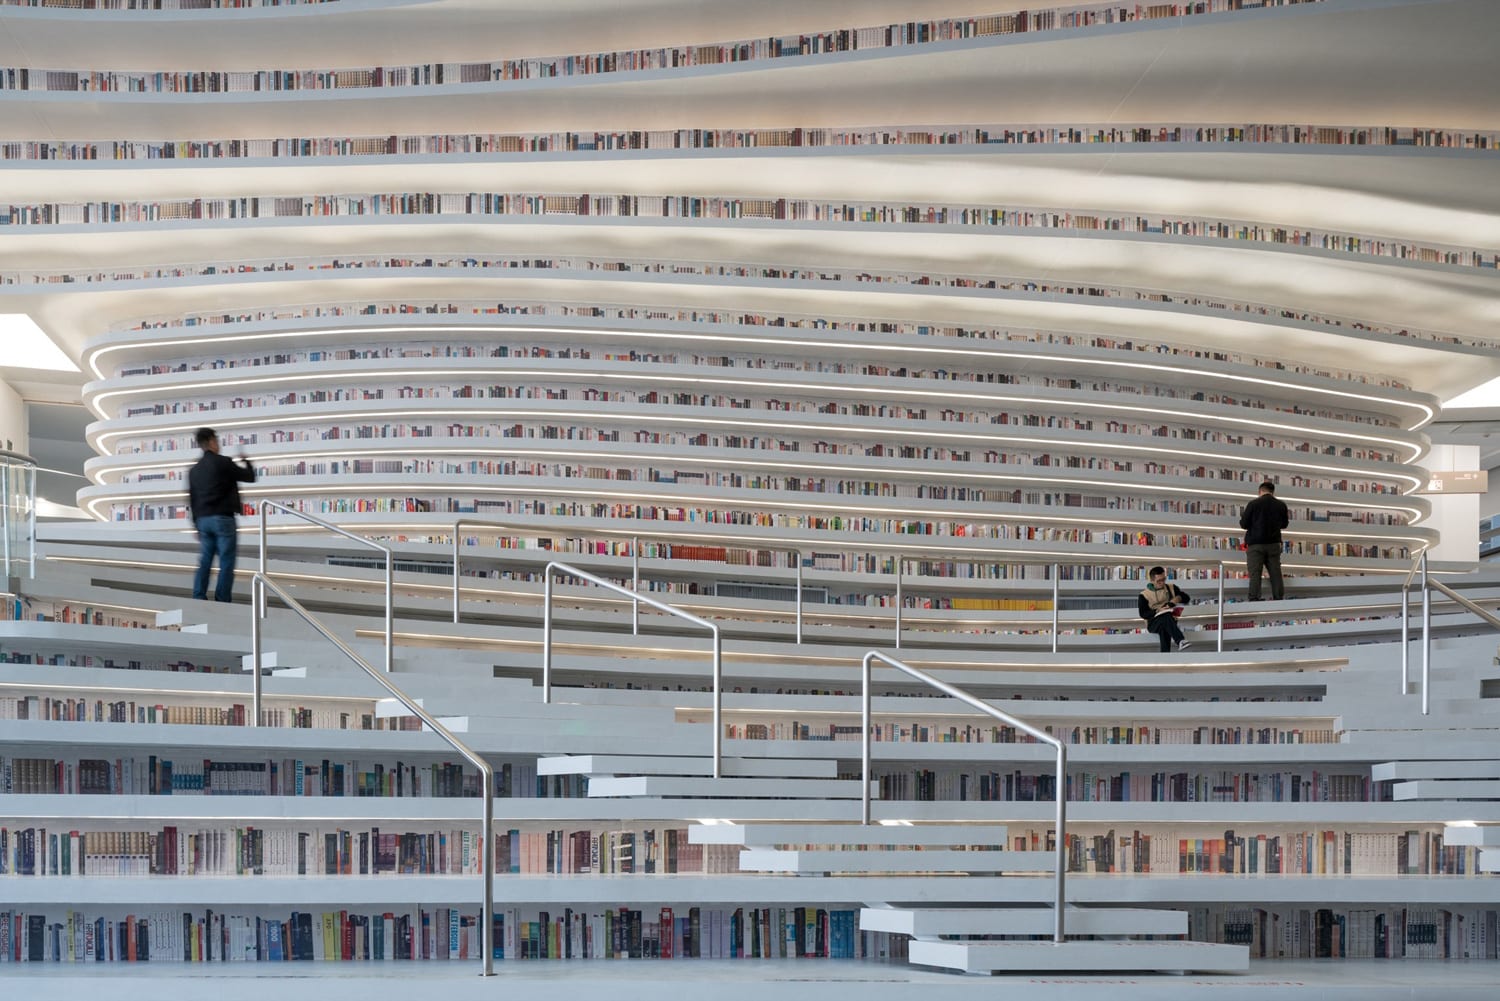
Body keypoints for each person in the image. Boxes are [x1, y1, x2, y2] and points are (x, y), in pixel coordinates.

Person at [188, 427, 255, 602]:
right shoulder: (223, 462)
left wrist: (196, 525)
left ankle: (198, 595)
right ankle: (222, 599)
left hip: (203, 521)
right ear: (211, 441)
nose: (218, 444)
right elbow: (249, 476)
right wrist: (245, 459)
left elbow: (192, 499)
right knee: (226, 562)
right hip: (223, 519)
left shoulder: (194, 471)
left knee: (205, 561)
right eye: (216, 440)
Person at [1240, 480, 1289, 600]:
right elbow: (1284, 525)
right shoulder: (1281, 505)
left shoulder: (1253, 504)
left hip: (1255, 545)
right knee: (1275, 573)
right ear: (1273, 492)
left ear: (1260, 491)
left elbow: (1244, 524)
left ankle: (1254, 598)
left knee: (1255, 573)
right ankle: (1278, 597)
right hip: (1273, 544)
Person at [1138, 566, 1191, 652]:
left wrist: (1176, 599)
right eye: (1159, 581)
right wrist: (1158, 610)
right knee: (1165, 617)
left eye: (1164, 579)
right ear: (1152, 581)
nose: (1162, 583)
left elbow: (1187, 598)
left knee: (1164, 626)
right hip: (1153, 623)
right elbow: (1143, 614)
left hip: (1170, 619)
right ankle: (1180, 640)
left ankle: (1165, 655)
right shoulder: (1143, 595)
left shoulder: (1172, 587)